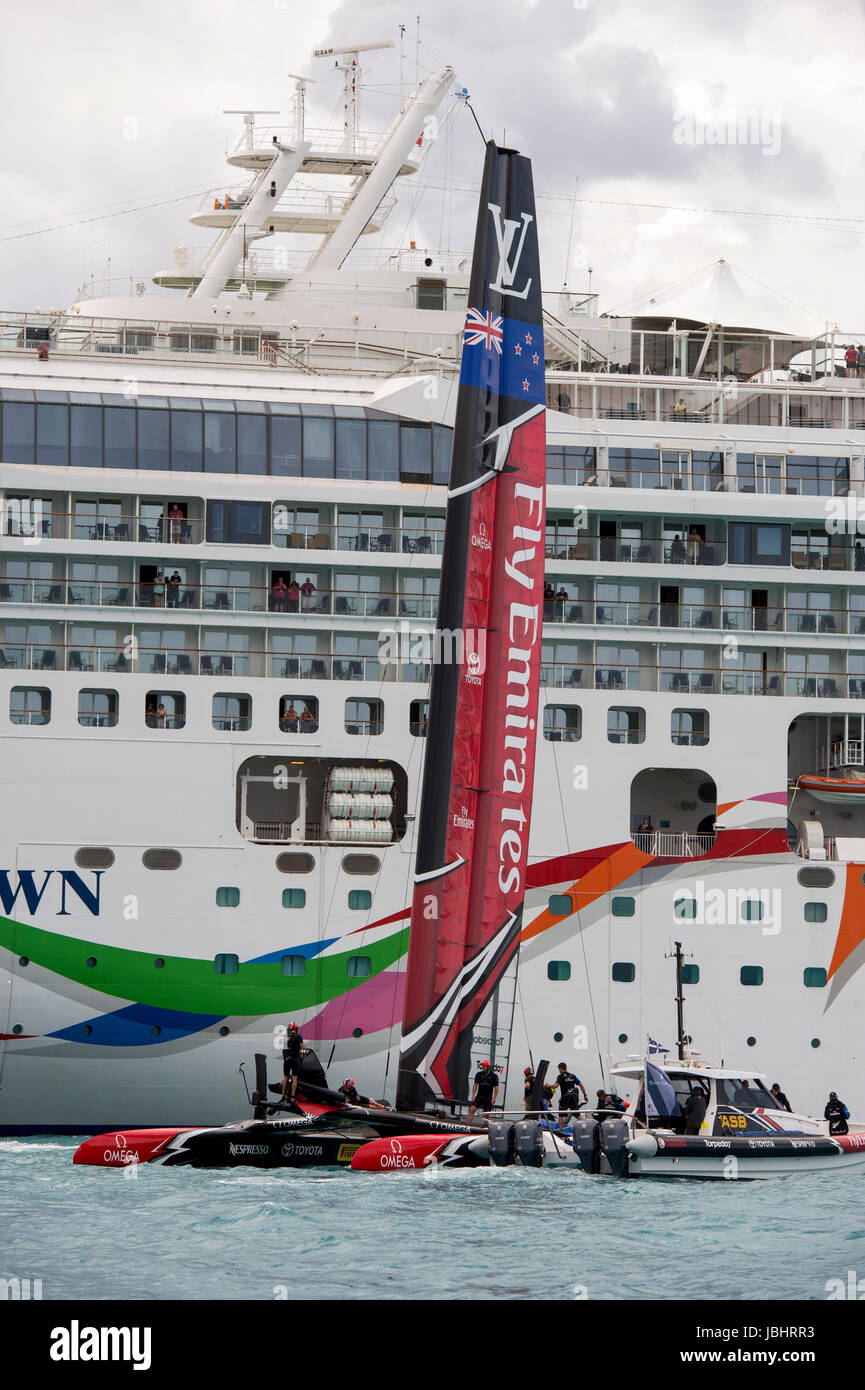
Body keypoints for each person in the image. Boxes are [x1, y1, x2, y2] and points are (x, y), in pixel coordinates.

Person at [550, 1061, 587, 1133]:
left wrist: (548, 1085)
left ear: (560, 1068)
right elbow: (581, 1085)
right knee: (577, 1115)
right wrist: (585, 1095)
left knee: (561, 1115)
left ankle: (561, 1132)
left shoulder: (560, 1076)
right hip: (573, 1097)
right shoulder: (572, 1076)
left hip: (565, 1098)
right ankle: (585, 1128)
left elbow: (555, 1086)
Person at [280, 1022, 304, 1101]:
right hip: (294, 1059)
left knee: (285, 1077)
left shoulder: (287, 1036)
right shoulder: (298, 1036)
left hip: (286, 1059)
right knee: (294, 1078)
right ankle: (293, 1097)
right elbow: (303, 1047)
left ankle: (283, 1096)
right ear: (296, 1029)